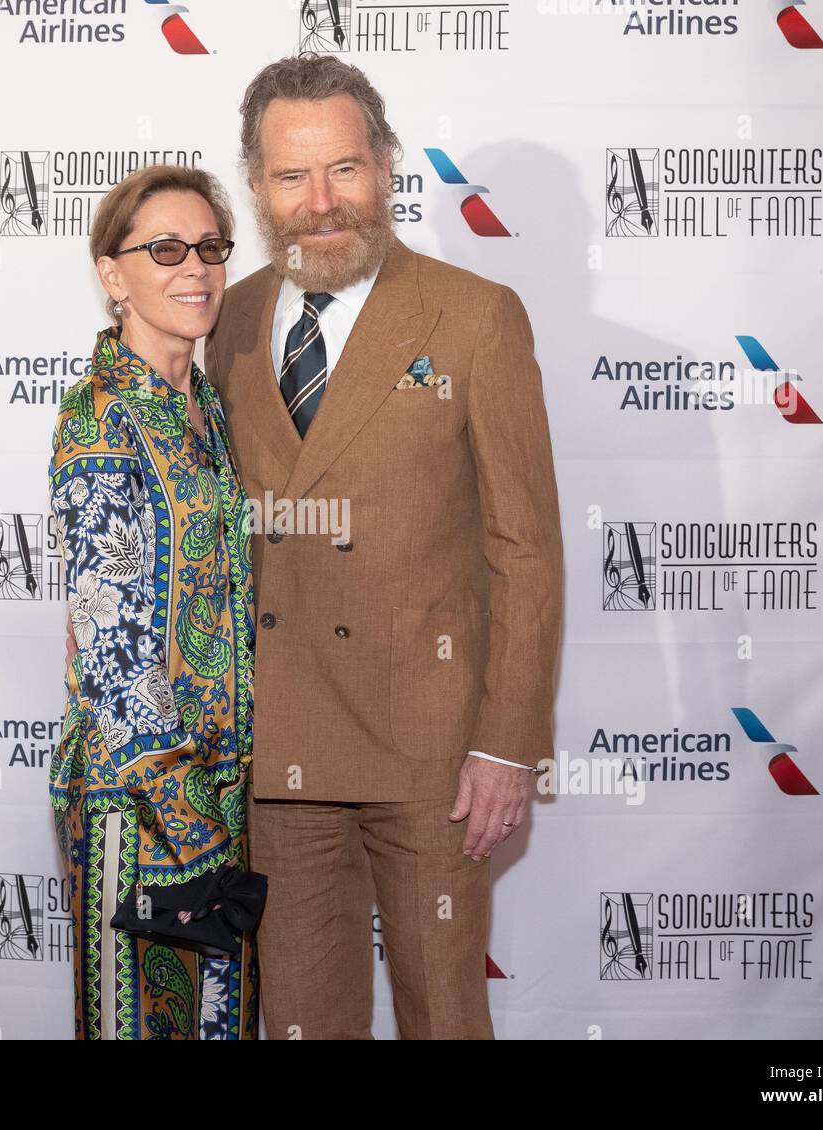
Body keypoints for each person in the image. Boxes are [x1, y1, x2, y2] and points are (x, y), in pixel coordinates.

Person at [201, 55, 565, 1039]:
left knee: (444, 1014)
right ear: (257, 183)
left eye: (344, 170)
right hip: (281, 751)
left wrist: (505, 741)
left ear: (388, 164)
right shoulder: (228, 318)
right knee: (300, 1020)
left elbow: (524, 548)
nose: (321, 203)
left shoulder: (475, 317)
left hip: (433, 752)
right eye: (290, 177)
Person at [47, 164, 258, 1040]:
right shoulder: (100, 417)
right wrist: (193, 827)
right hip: (138, 805)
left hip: (221, 789)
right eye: (165, 249)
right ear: (112, 275)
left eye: (211, 247)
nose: (197, 268)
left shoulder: (203, 404)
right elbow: (112, 651)